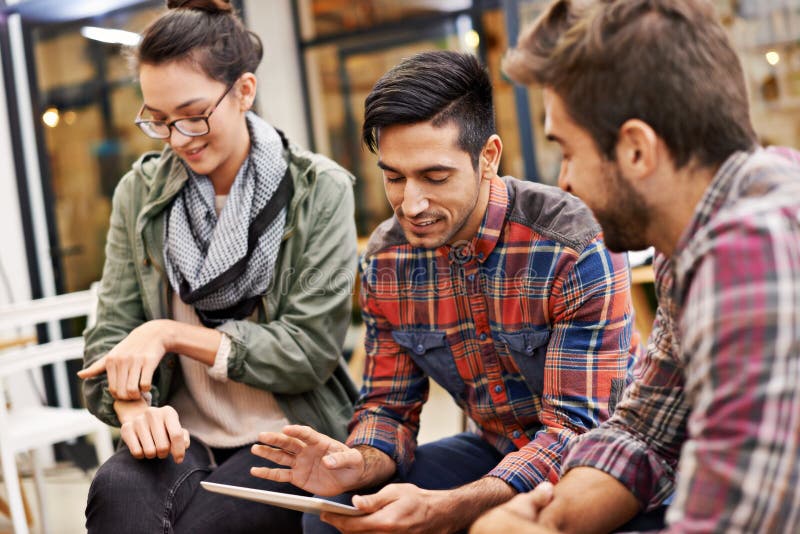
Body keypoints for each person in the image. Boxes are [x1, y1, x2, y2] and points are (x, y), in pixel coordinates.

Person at [250, 50, 640, 534]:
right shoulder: (389, 258)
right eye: (394, 177)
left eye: (435, 177)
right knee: (335, 515)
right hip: (494, 449)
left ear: (488, 157)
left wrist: (448, 508)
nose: (411, 205)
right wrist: (360, 462)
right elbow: (388, 405)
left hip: (599, 462)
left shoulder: (572, 247)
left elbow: (575, 434)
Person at [471, 0, 800, 532]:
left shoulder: (749, 253)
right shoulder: (697, 238)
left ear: (636, 151)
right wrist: (549, 520)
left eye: (569, 150)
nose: (563, 182)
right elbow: (649, 428)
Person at [77, 1, 358, 532]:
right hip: (185, 432)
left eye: (194, 114)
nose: (179, 138)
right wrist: (134, 408)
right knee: (117, 493)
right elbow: (110, 335)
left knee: (212, 522)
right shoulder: (139, 194)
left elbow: (309, 350)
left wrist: (171, 334)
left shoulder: (318, 189)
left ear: (244, 91)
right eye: (158, 121)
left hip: (290, 432)